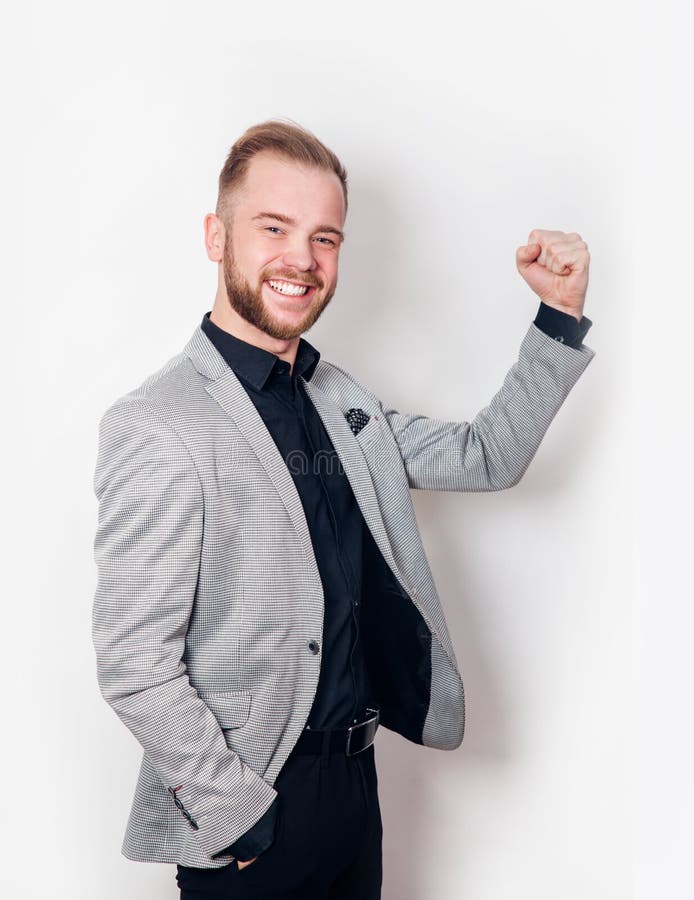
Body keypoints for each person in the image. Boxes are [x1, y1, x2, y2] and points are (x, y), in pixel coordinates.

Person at [91, 118, 595, 899]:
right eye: (274, 227)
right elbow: (133, 662)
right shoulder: (157, 424)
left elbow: (485, 456)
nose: (302, 258)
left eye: (325, 238)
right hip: (251, 822)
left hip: (357, 796)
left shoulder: (339, 401)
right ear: (215, 238)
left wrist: (558, 318)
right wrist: (240, 819)